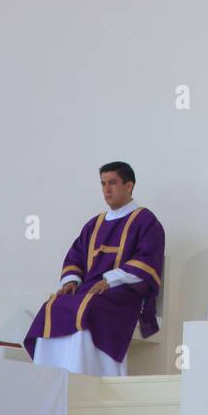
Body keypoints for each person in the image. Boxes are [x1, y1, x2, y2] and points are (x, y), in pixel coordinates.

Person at [24, 161, 164, 376]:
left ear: (129, 186)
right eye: (103, 184)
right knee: (53, 306)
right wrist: (71, 281)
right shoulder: (94, 224)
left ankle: (86, 378)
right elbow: (76, 255)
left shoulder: (145, 221)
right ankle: (49, 379)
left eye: (113, 183)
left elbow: (147, 261)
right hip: (90, 290)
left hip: (124, 292)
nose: (107, 189)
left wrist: (109, 281)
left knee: (88, 308)